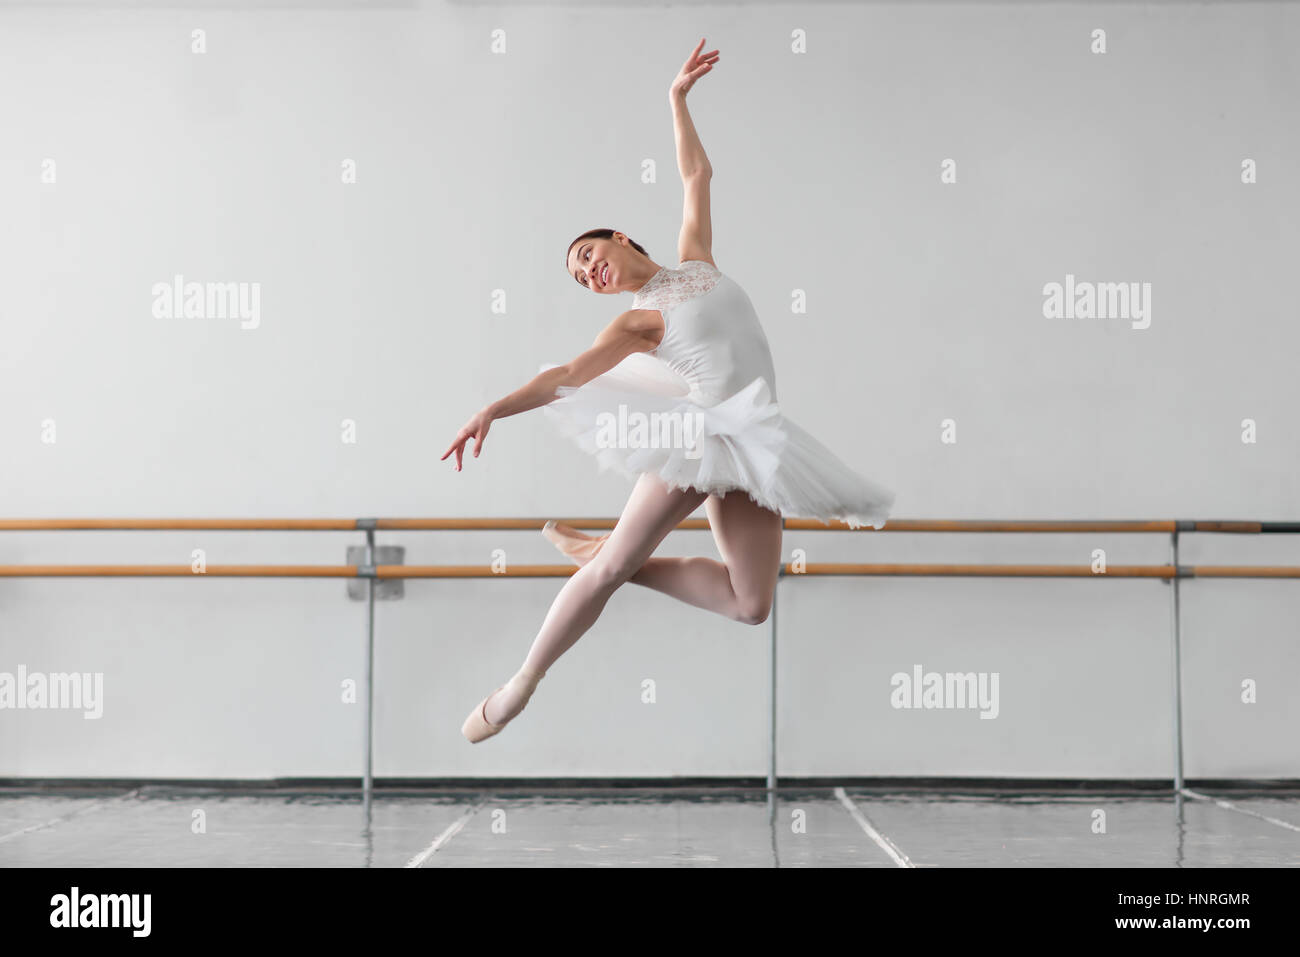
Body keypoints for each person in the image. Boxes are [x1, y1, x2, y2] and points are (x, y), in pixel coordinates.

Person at [443, 39, 894, 743]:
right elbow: (566, 377)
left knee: (751, 605)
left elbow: (696, 172)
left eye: (589, 255)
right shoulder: (635, 322)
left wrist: (676, 98)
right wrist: (493, 408)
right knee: (615, 569)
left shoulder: (695, 262)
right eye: (579, 275)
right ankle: (516, 688)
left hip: (759, 440)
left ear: (620, 239)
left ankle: (605, 552)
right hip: (700, 436)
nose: (588, 272)